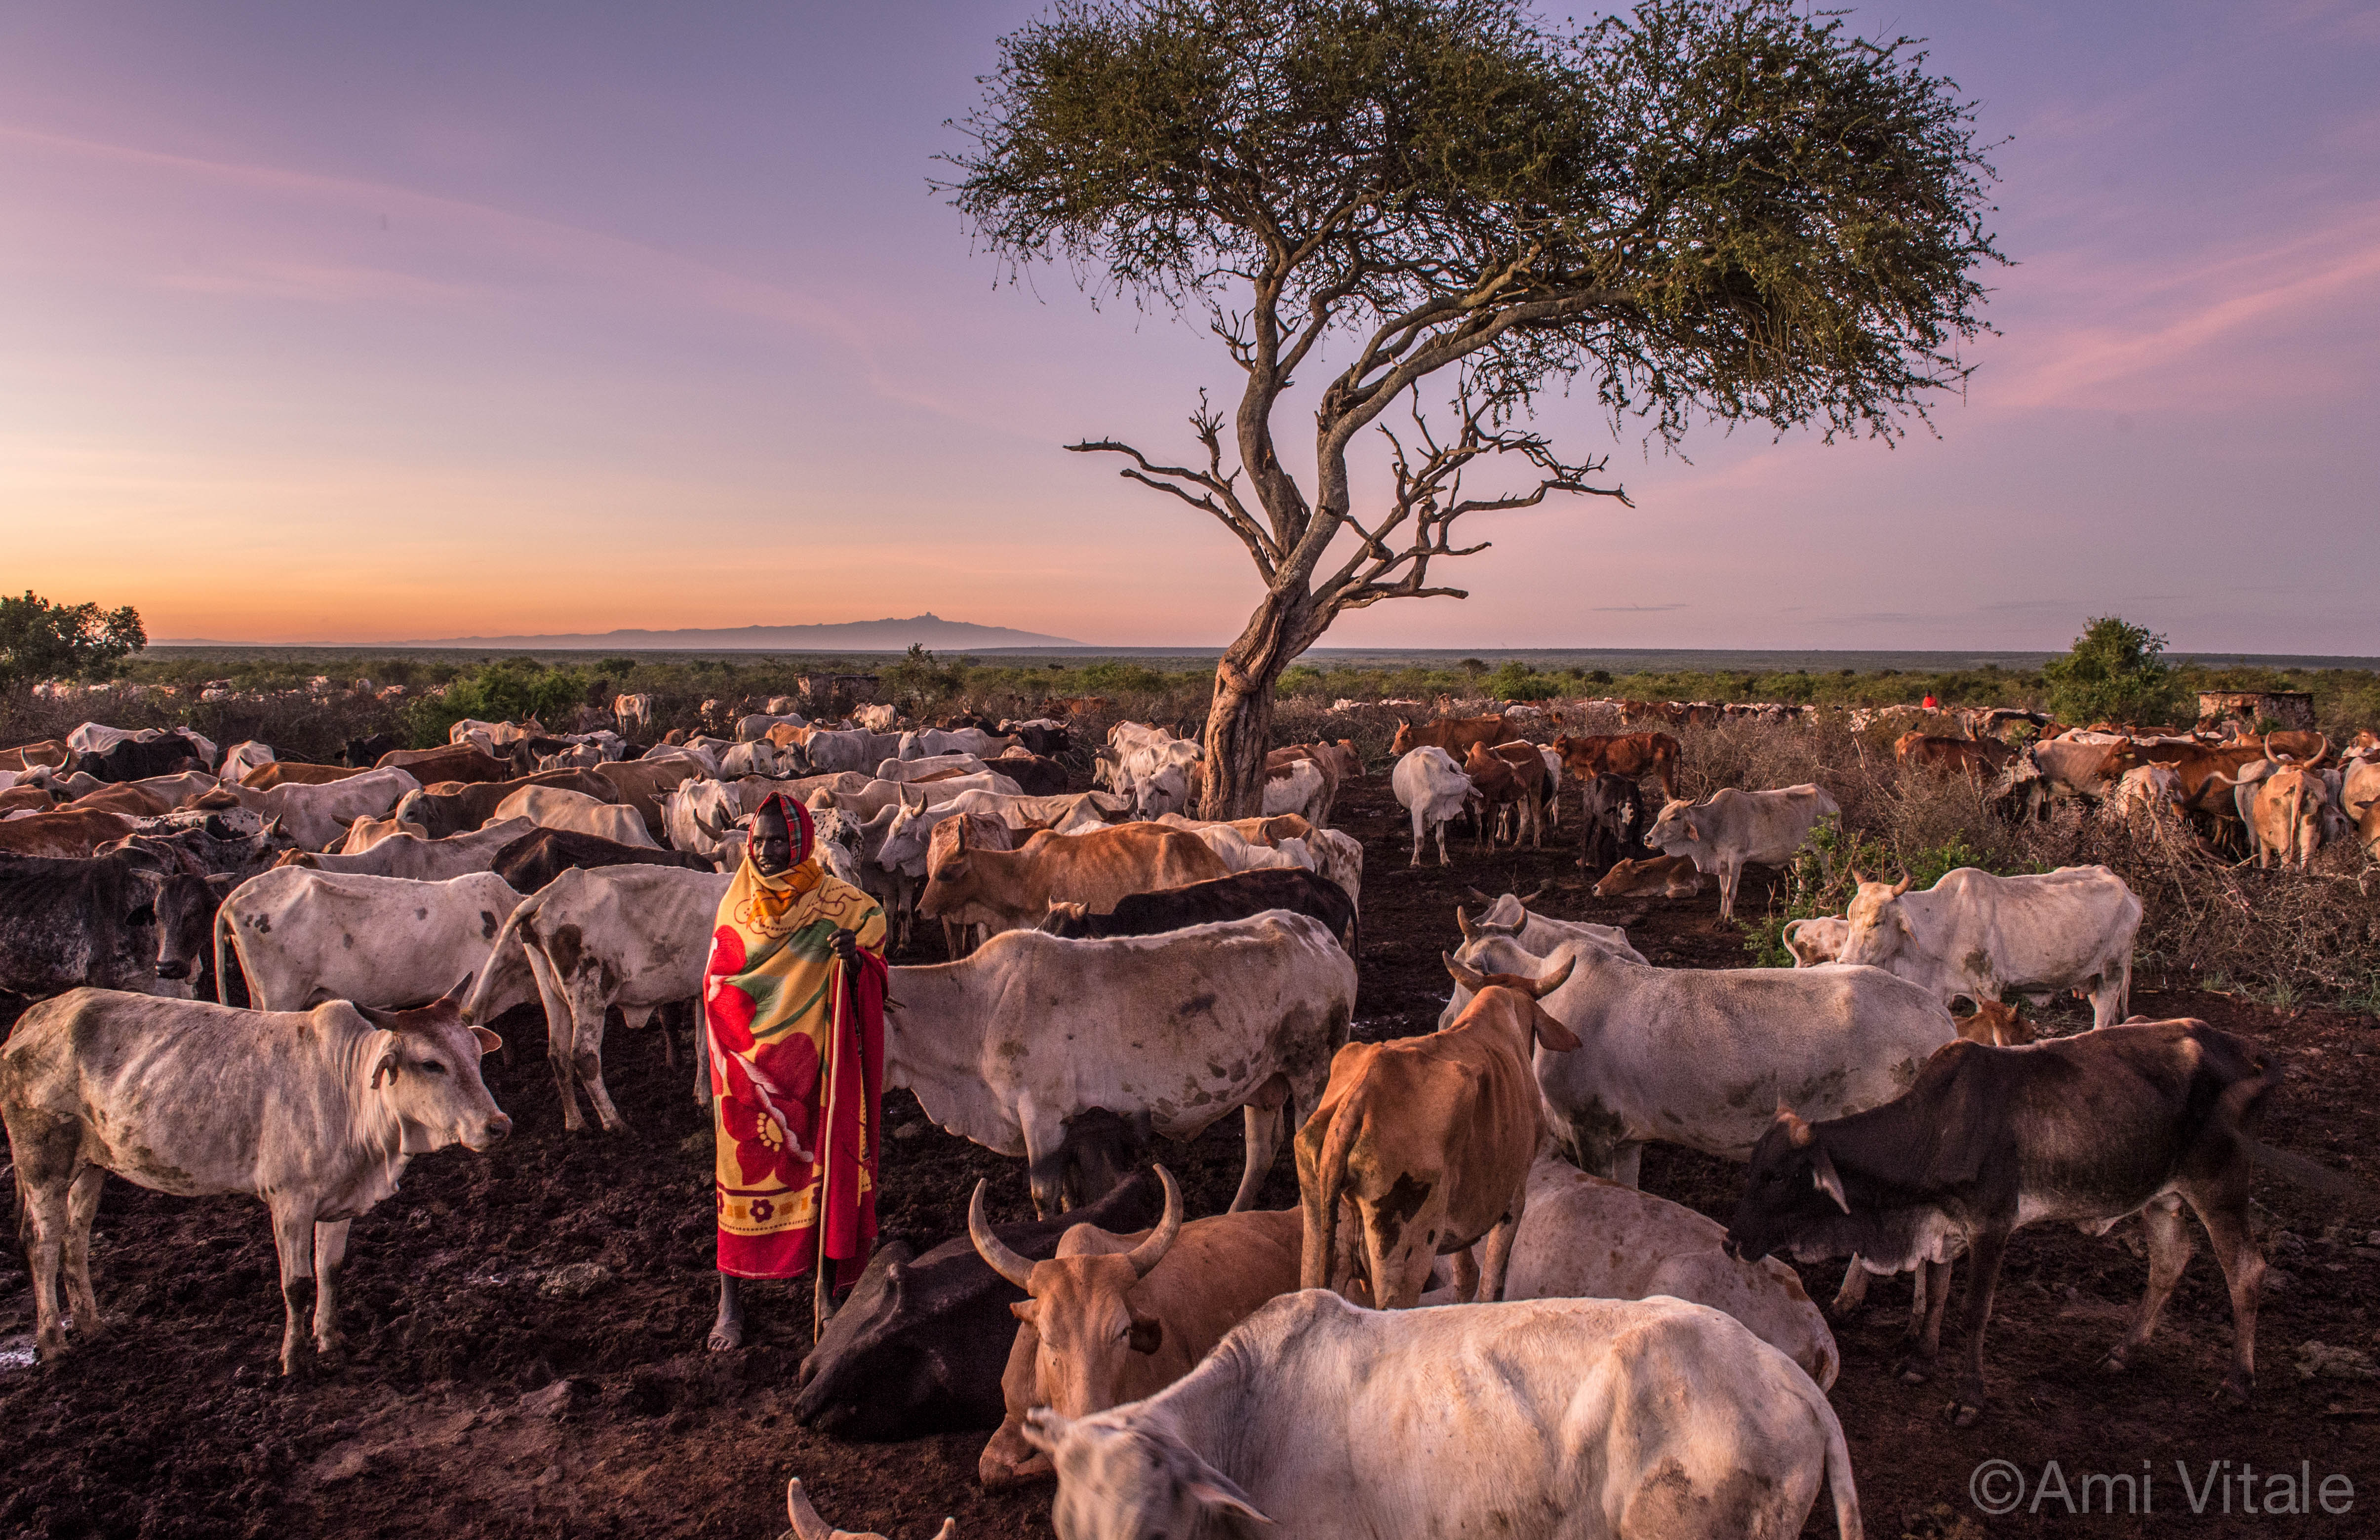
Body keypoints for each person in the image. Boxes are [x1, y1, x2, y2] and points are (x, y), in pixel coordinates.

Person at [702, 792, 888, 1351]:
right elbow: (718, 982)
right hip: (744, 1069)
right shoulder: (735, 903)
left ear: (802, 842)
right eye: (758, 841)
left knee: (820, 1171)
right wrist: (739, 1048)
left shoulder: (846, 907)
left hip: (815, 1065)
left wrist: (855, 962)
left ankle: (825, 1293)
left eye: (778, 841)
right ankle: (729, 1299)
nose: (765, 852)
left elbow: (874, 954)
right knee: (738, 1173)